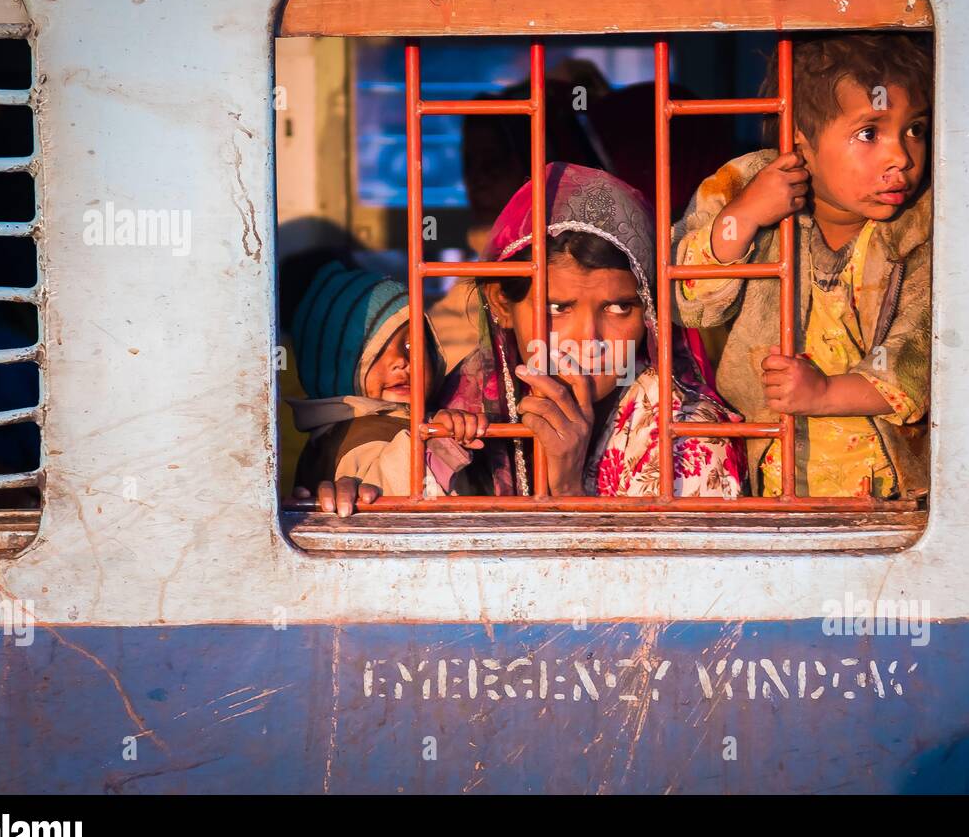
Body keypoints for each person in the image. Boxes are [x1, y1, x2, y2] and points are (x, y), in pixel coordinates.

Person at [330, 163, 745, 507]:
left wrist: (566, 490)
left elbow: (671, 597)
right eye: (557, 307)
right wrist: (352, 499)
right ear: (501, 304)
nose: (588, 339)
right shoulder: (463, 405)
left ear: (650, 312)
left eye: (619, 307)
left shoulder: (688, 434)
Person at [673, 33, 933, 500]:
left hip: (888, 493)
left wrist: (825, 393)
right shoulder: (744, 185)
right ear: (801, 136)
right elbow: (691, 302)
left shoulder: (923, 224)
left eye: (914, 128)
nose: (901, 157)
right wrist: (747, 215)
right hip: (769, 478)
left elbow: (920, 359)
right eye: (869, 133)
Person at [287, 263, 486, 514]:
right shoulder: (352, 435)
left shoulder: (398, 419)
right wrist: (441, 441)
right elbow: (387, 501)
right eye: (373, 349)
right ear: (332, 363)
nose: (400, 363)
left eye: (412, 347)